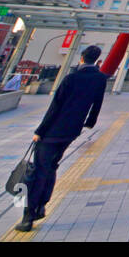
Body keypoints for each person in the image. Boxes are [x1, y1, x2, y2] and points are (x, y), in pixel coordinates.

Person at [16, 44, 107, 232]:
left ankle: (29, 215)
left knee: (39, 171)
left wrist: (40, 131)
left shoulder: (71, 78)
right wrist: (90, 122)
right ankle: (41, 206)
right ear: (97, 60)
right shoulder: (99, 79)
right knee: (51, 167)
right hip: (72, 131)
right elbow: (97, 103)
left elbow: (55, 107)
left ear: (82, 58)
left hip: (53, 131)